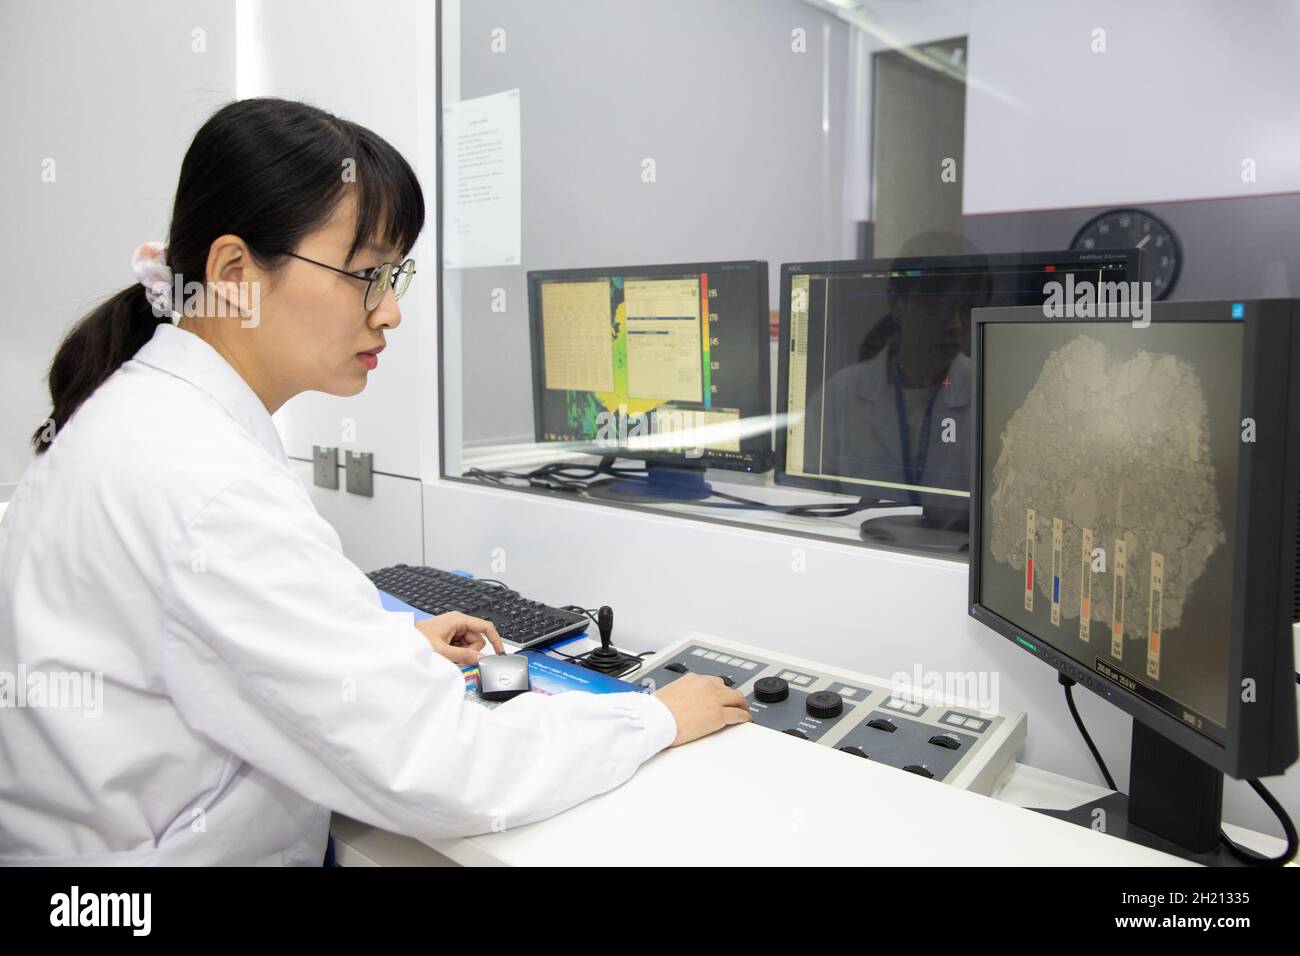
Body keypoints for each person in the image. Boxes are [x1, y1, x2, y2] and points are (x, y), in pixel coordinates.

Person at [0, 97, 750, 866]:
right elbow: (445, 770)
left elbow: (200, 640)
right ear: (233, 274)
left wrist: (387, 645)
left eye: (395, 275)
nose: (390, 311)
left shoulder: (142, 415)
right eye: (365, 275)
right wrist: (653, 718)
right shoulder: (207, 485)